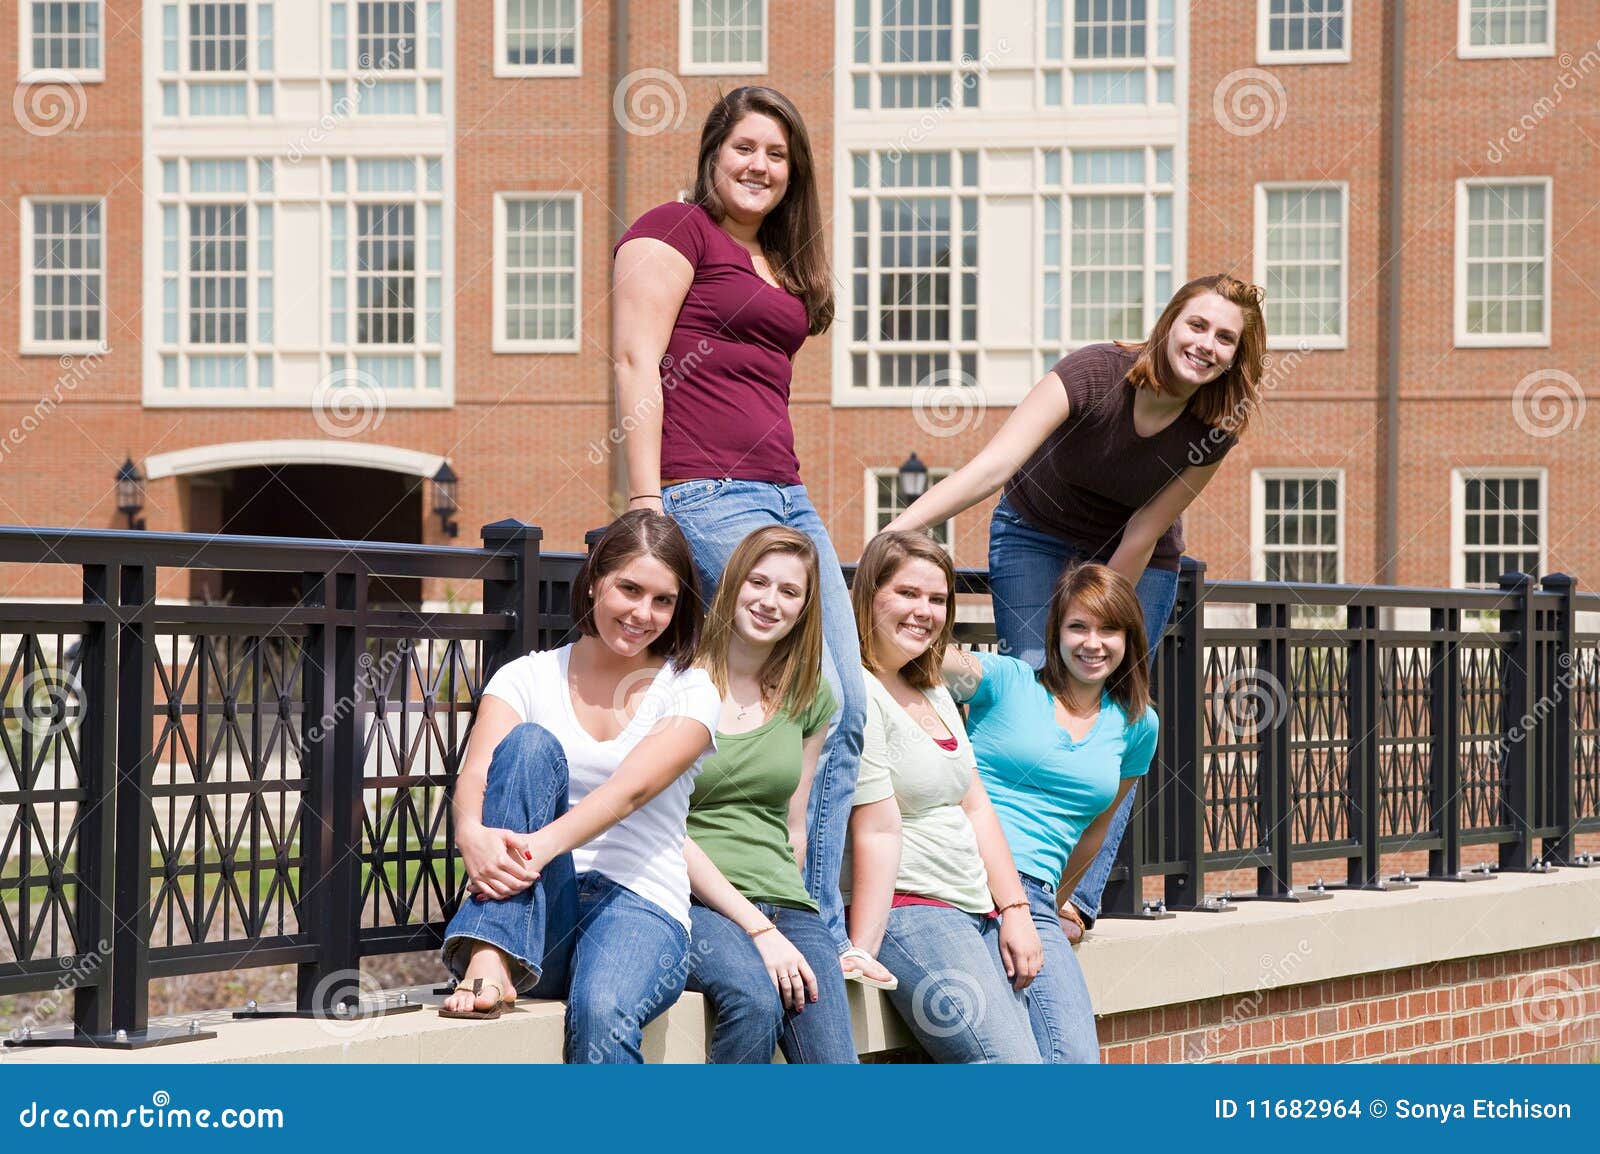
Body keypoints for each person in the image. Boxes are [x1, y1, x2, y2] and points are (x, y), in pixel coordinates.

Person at [885, 274, 1266, 935]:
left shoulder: (1217, 423)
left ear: (1237, 355)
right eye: (1197, 325)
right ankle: (980, 867)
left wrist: (1094, 619)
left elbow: (1146, 530)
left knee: (1112, 704)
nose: (1205, 344)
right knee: (1033, 682)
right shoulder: (1094, 374)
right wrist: (899, 533)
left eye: (1225, 338)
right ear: (1170, 320)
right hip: (1036, 529)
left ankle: (1071, 896)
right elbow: (994, 466)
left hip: (1133, 552)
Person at [612, 86, 866, 960]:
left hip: (787, 496)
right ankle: (764, 913)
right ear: (713, 152)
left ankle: (810, 915)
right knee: (793, 692)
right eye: (745, 148)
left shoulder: (778, 261)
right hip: (706, 491)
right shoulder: (674, 229)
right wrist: (646, 499)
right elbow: (635, 355)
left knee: (845, 701)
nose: (760, 166)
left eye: (778, 155)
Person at [437, 510, 722, 1064]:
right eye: (630, 589)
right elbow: (475, 773)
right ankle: (491, 953)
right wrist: (469, 831)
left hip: (639, 905)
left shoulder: (691, 688)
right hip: (538, 909)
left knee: (601, 1009)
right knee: (529, 747)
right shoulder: (527, 675)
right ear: (595, 580)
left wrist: (531, 850)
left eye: (663, 600)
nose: (643, 614)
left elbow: (629, 793)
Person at [842, 531, 1044, 1064]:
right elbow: (876, 829)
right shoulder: (859, 691)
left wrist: (1015, 909)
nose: (924, 611)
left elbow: (975, 805)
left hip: (977, 909)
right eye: (907, 593)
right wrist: (861, 945)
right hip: (915, 910)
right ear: (869, 595)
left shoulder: (930, 685)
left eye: (937, 599)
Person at [944, 563, 1156, 1063]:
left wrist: (1049, 902)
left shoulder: (1137, 723)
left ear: (1130, 637)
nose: (1093, 642)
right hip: (958, 878)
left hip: (1033, 897)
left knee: (1074, 1061)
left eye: (1109, 629)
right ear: (1055, 630)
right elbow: (937, 663)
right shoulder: (1010, 680)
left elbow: (1095, 830)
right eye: (1077, 626)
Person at [682, 526, 860, 1063]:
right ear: (733, 584)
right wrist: (756, 927)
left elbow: (795, 823)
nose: (769, 601)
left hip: (786, 902)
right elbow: (658, 829)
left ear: (806, 607)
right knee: (754, 1004)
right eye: (758, 582)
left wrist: (793, 923)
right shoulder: (677, 682)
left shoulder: (810, 694)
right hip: (693, 900)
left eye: (790, 591)